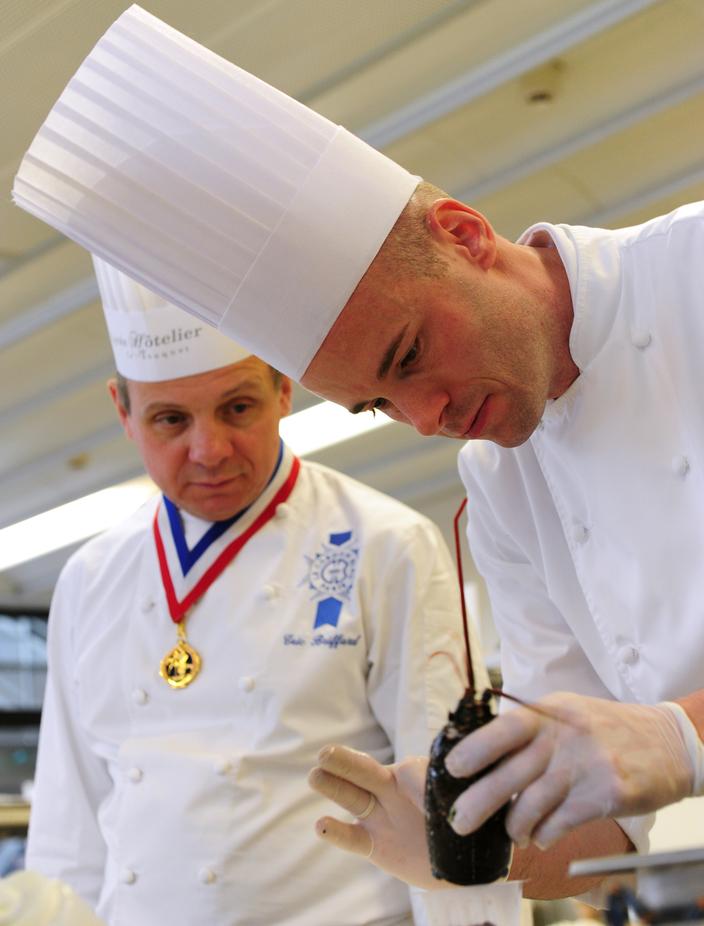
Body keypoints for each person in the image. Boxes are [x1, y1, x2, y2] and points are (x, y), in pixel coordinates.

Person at [13, 3, 704, 899]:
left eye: (408, 354)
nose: (427, 416)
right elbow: (602, 829)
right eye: (380, 402)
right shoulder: (499, 489)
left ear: (462, 235)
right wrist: (480, 852)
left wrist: (681, 736)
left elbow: (658, 755)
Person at [25, 257, 477, 925]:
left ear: (284, 389)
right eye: (170, 421)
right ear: (122, 412)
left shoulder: (386, 545)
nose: (209, 449)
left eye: (237, 407)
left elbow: (450, 807)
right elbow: (69, 829)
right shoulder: (92, 578)